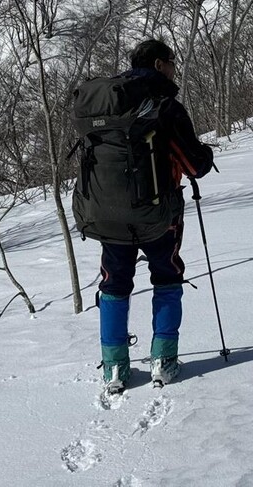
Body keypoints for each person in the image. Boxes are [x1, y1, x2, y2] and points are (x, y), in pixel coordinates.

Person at [78, 38, 214, 391]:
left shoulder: (105, 104)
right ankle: (163, 360)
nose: (174, 67)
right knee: (167, 277)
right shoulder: (165, 106)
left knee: (113, 284)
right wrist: (206, 153)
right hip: (158, 217)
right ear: (157, 65)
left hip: (107, 216)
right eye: (171, 61)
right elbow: (194, 166)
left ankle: (115, 369)